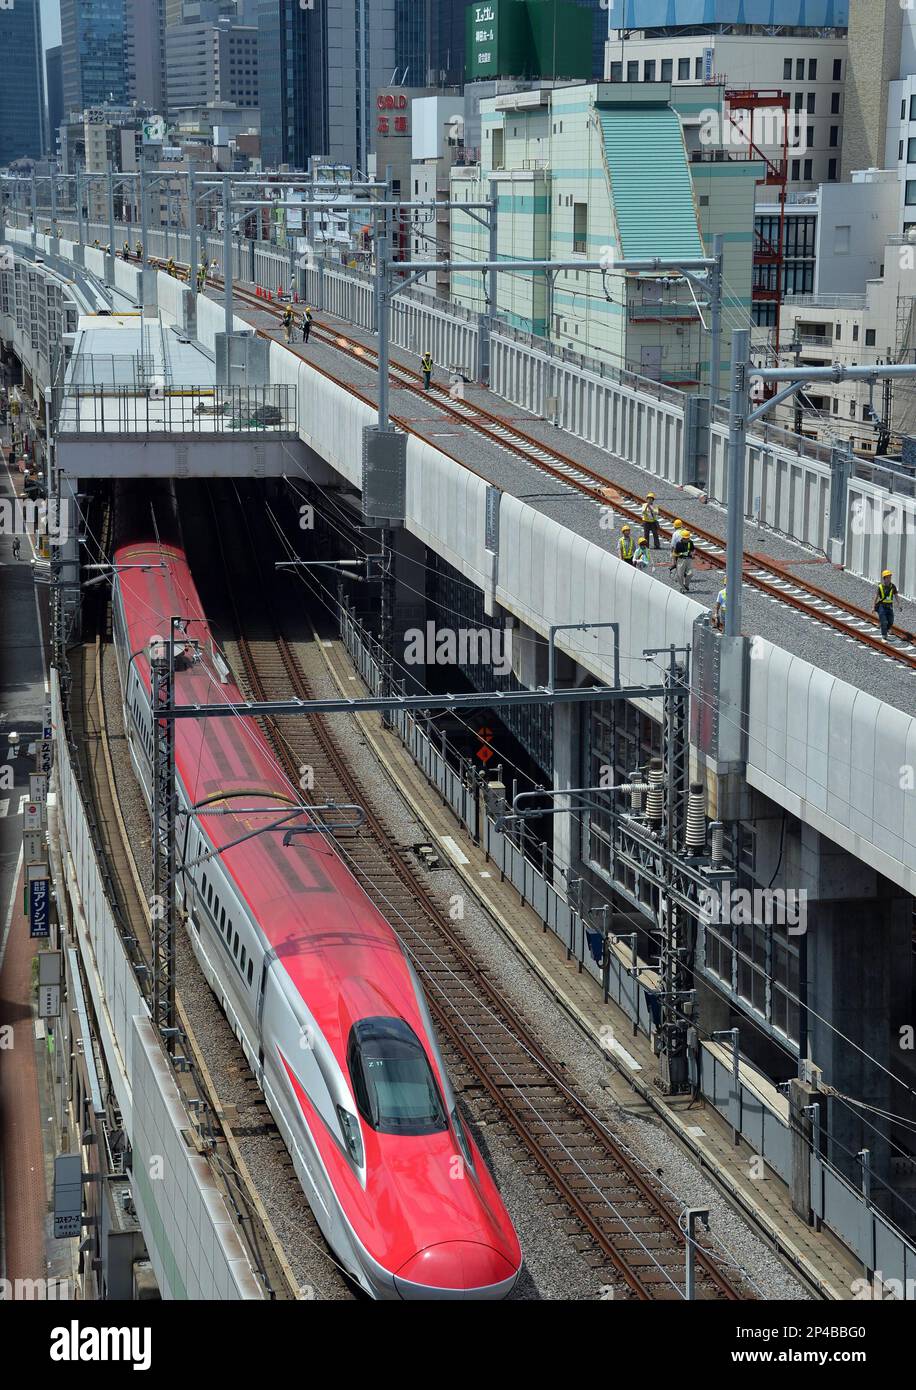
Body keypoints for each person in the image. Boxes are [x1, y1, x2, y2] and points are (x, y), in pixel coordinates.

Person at [874, 569, 898, 640]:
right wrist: (873, 606)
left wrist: (899, 604)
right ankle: (884, 636)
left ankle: (884, 628)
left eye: (890, 577)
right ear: (884, 578)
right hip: (882, 606)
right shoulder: (880, 587)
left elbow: (896, 595)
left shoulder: (893, 586)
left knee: (891, 621)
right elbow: (876, 596)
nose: (889, 579)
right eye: (887, 577)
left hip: (890, 606)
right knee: (884, 621)